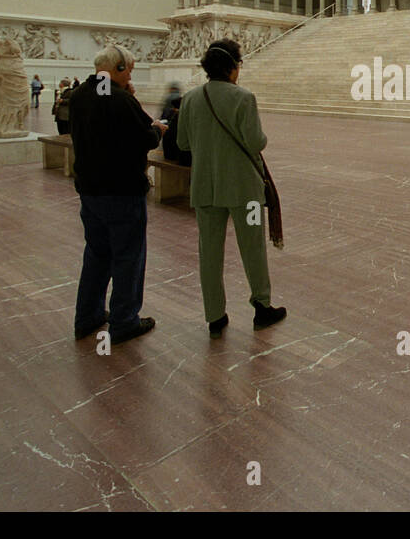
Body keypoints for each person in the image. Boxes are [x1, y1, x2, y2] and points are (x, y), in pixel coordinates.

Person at [179, 38, 285, 338]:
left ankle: (215, 314)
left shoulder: (190, 99)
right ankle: (261, 306)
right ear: (231, 68)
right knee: (252, 247)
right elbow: (255, 142)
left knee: (209, 252)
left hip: (205, 190)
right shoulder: (244, 98)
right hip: (244, 192)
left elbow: (182, 143)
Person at [68, 45, 167, 344]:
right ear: (120, 69)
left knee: (97, 255)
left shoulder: (81, 95)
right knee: (128, 257)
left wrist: (128, 96)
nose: (130, 76)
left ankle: (88, 315)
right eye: (130, 71)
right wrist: (159, 130)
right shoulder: (120, 99)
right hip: (121, 191)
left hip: (90, 189)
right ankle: (124, 321)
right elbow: (145, 137)